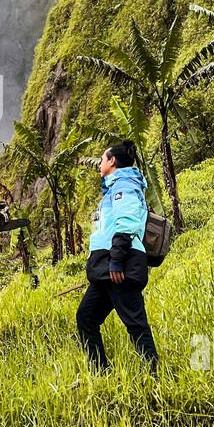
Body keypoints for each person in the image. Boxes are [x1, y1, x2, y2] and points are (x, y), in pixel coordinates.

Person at [75, 140, 158, 370]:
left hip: (119, 266)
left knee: (135, 323)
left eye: (102, 159)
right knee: (86, 318)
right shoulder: (115, 187)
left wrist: (117, 262)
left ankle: (154, 375)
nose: (100, 163)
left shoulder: (124, 185)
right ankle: (101, 372)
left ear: (112, 161)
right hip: (106, 269)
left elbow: (127, 223)